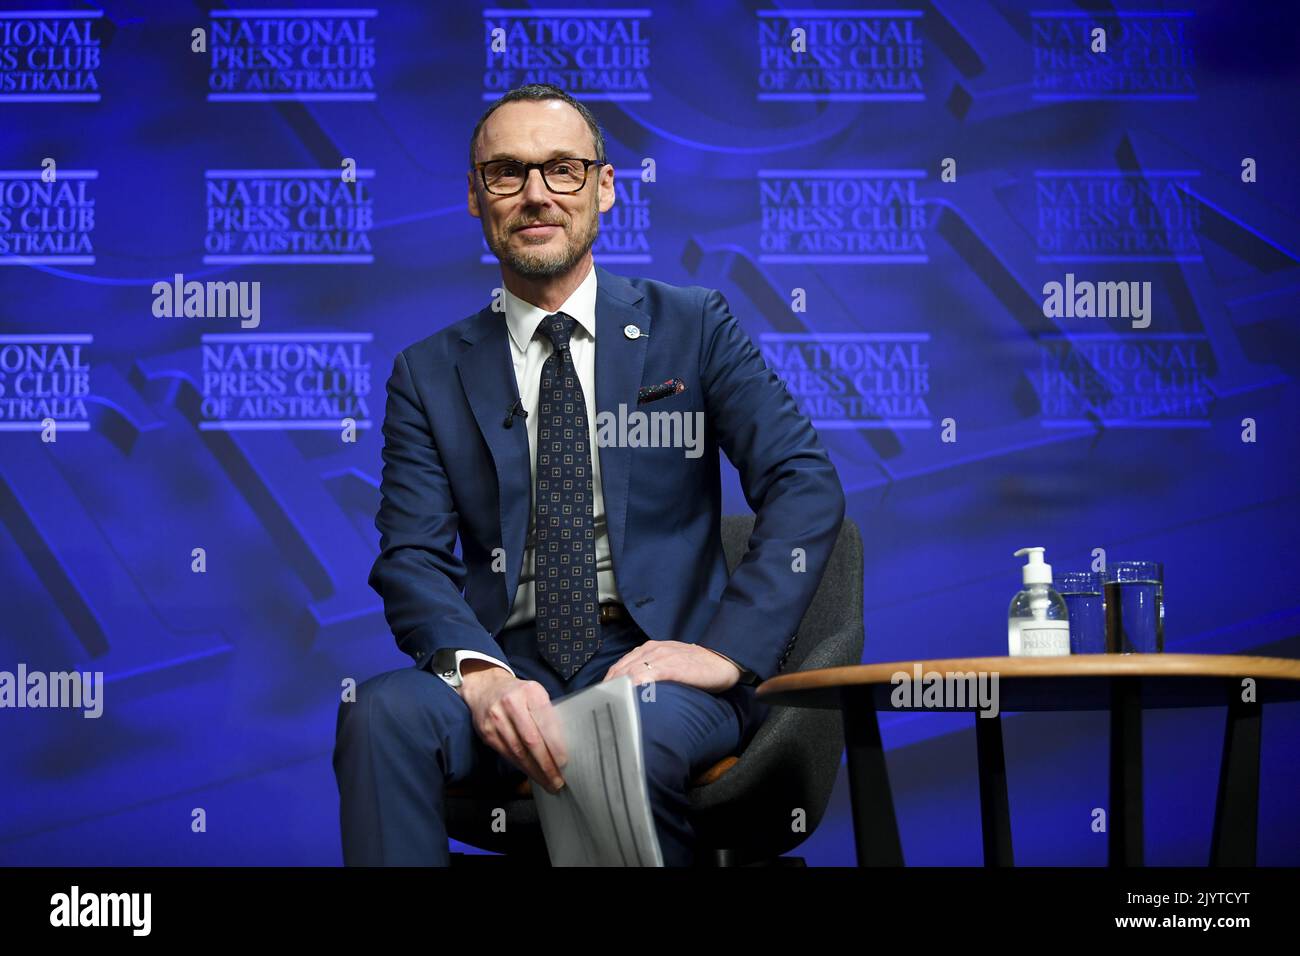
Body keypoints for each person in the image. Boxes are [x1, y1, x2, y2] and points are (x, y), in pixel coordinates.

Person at [333, 83, 846, 866]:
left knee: (621, 741)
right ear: (476, 198)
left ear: (604, 186)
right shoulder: (427, 373)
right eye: (506, 173)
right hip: (509, 665)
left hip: (660, 672)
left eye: (562, 169)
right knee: (379, 716)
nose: (536, 194)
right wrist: (482, 677)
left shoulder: (692, 324)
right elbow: (410, 557)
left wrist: (723, 652)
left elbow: (805, 481)